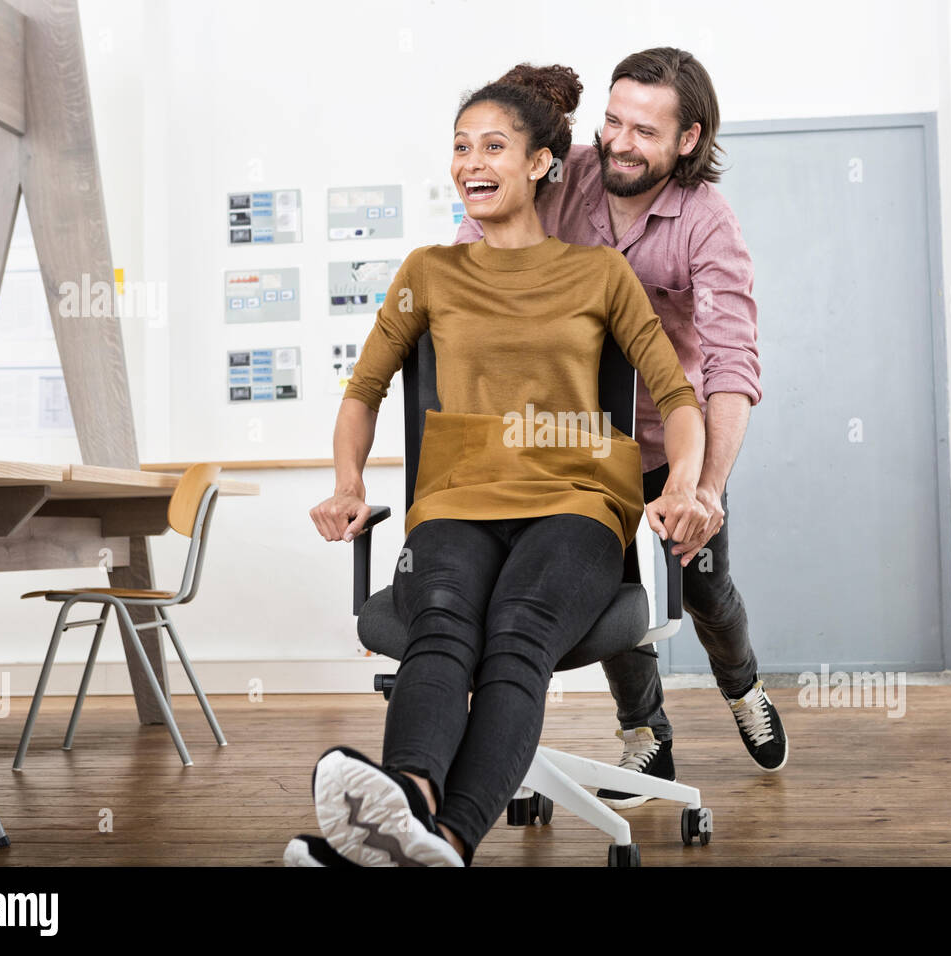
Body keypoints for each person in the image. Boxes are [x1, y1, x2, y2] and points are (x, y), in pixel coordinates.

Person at [298, 63, 709, 867]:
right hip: (457, 500)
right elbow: (365, 388)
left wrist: (688, 485)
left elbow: (677, 393)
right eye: (460, 147)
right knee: (442, 625)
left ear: (541, 163)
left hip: (577, 504)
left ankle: (442, 840)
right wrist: (348, 484)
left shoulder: (599, 274)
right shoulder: (430, 271)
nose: (471, 163)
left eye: (493, 146)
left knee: (517, 632)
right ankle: (411, 803)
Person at [454, 47, 786, 810]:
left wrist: (704, 489)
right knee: (617, 596)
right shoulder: (561, 174)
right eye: (612, 121)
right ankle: (645, 733)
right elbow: (477, 250)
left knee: (704, 590)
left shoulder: (708, 225)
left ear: (688, 139)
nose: (620, 141)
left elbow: (732, 365)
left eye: (644, 129)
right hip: (577, 444)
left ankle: (743, 688)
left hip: (673, 446)